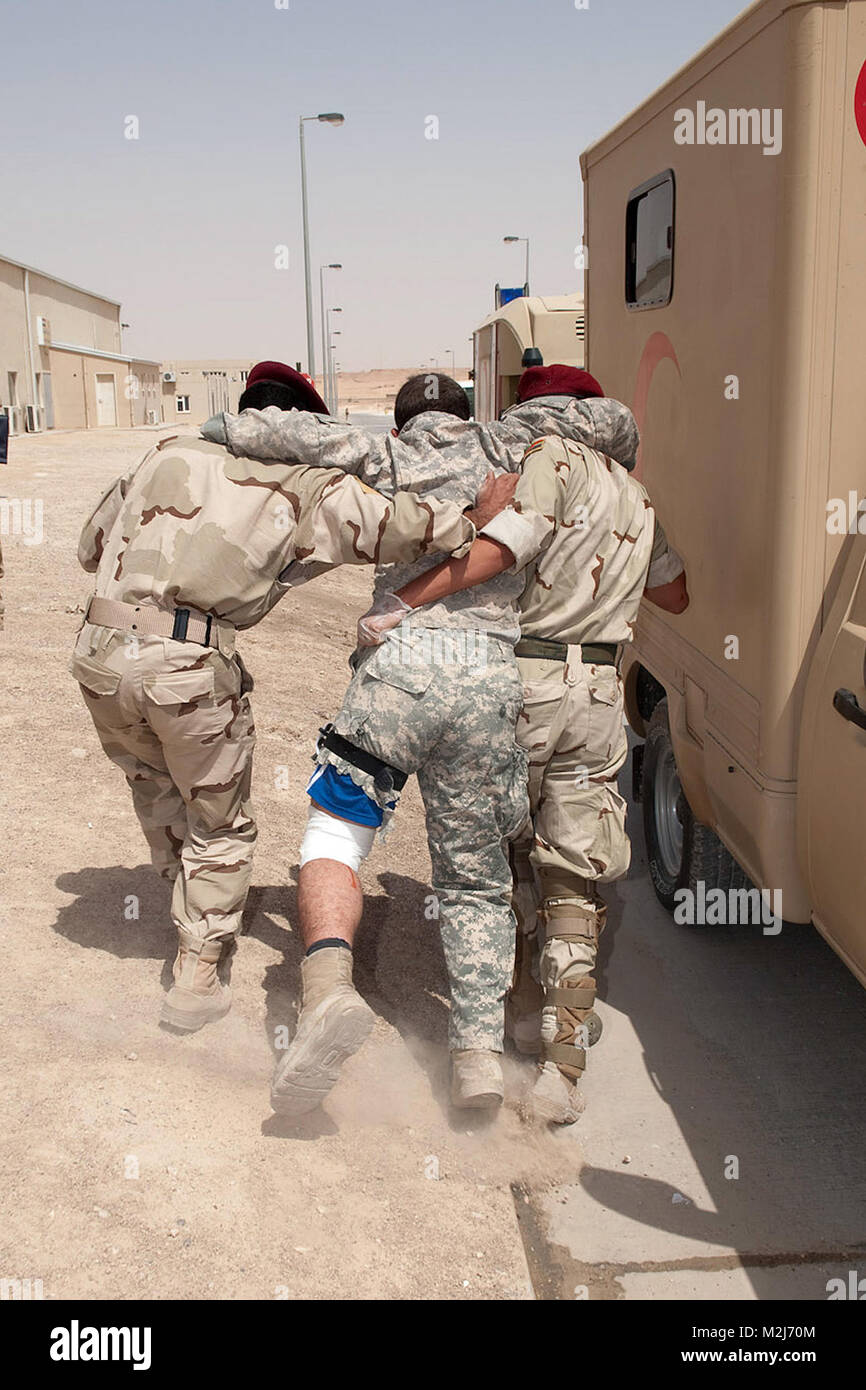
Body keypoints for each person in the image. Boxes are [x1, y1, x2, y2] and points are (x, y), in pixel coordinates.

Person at [244, 371, 641, 1119]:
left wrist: (219, 434)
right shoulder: (509, 440)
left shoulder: (383, 455)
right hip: (487, 682)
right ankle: (477, 1062)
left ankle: (329, 987)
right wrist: (618, 438)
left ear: (399, 428)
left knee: (337, 829)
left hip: (397, 670)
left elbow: (295, 434)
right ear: (474, 417)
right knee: (476, 880)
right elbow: (599, 416)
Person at [71, 362, 511, 1033]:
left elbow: (89, 546)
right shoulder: (300, 480)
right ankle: (196, 971)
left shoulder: (164, 452)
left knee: (153, 780)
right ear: (299, 428)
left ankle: (184, 896)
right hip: (186, 663)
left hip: (99, 653)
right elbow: (397, 527)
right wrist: (473, 519)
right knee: (219, 822)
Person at [362, 426, 689, 1125]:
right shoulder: (636, 494)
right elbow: (678, 594)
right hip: (599, 693)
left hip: (527, 678)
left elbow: (502, 546)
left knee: (502, 851)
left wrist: (403, 601)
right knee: (574, 870)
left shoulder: (552, 456)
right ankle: (561, 1070)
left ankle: (512, 1018)